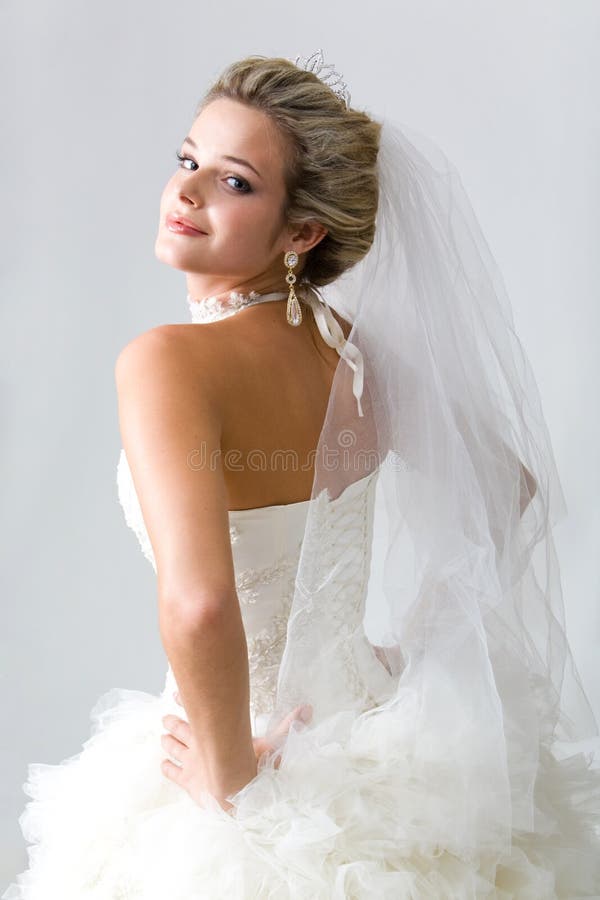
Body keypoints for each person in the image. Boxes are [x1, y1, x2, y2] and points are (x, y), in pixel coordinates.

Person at [4, 51, 600, 898]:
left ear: (301, 233)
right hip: (377, 743)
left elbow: (200, 603)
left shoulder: (167, 362)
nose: (187, 191)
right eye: (187, 159)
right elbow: (511, 490)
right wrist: (409, 653)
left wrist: (231, 783)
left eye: (234, 182)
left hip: (245, 759)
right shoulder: (349, 353)